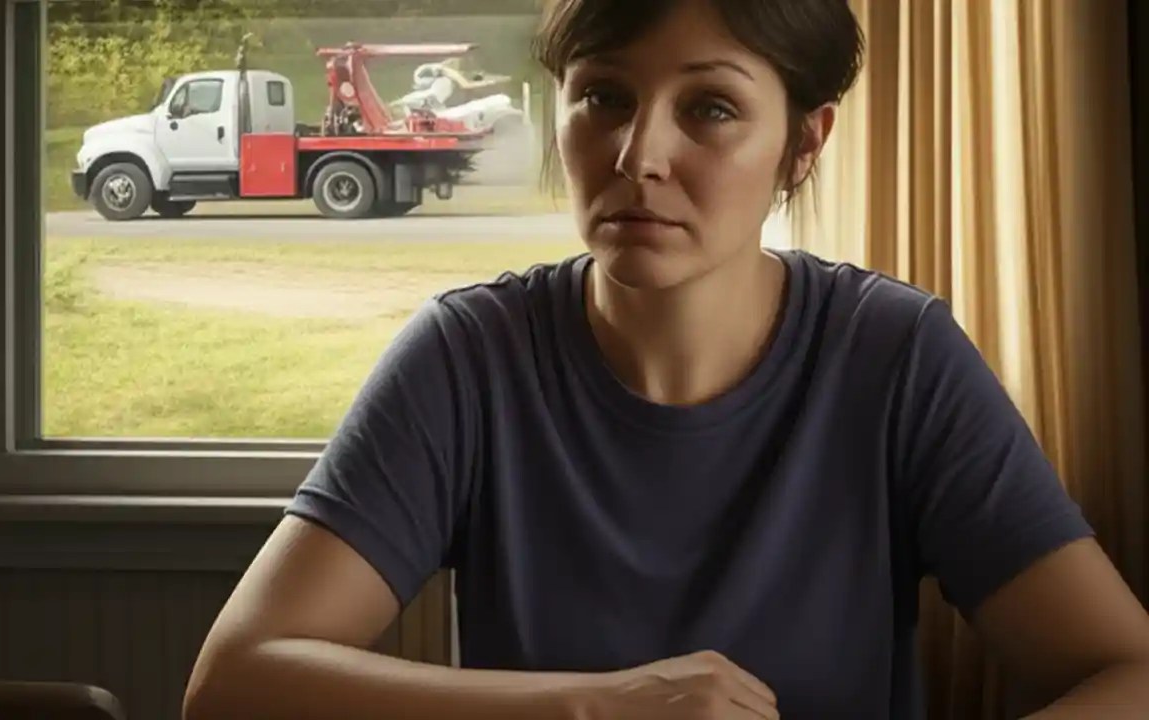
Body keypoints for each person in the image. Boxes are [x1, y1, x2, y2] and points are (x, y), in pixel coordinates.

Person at [183, 0, 1149, 718]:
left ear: (804, 144)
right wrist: (593, 708)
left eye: (711, 108)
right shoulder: (469, 357)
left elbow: (1127, 671)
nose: (637, 154)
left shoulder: (895, 355)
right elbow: (234, 683)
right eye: (603, 96)